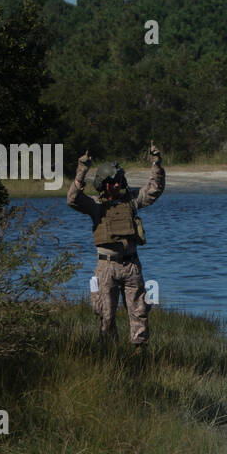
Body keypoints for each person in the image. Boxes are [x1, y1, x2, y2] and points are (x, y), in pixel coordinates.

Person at [67, 143, 165, 351]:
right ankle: (109, 356)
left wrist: (156, 163)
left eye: (119, 180)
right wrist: (82, 170)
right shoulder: (95, 205)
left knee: (139, 312)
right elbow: (73, 199)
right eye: (113, 181)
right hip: (106, 267)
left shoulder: (131, 201)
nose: (117, 185)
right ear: (104, 184)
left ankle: (140, 354)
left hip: (131, 265)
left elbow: (155, 189)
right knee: (105, 314)